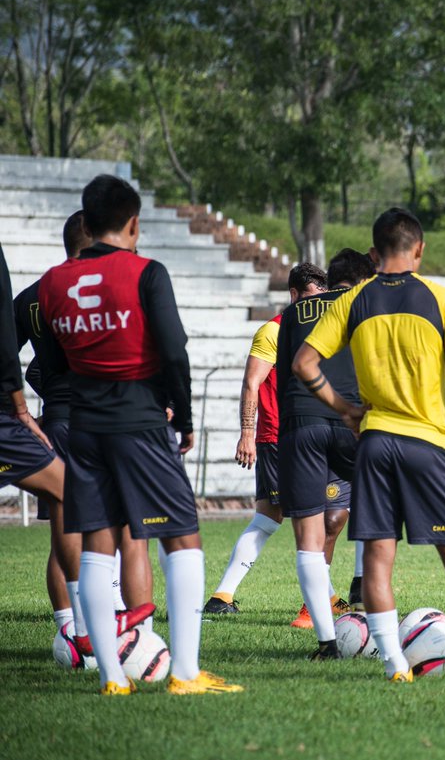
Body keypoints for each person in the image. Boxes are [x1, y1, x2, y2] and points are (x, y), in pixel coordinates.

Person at [294, 207, 445, 681]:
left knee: (378, 561)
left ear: (373, 253)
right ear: (419, 250)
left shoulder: (352, 300)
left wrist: (344, 408)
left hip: (375, 442)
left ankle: (395, 666)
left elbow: (304, 363)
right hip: (428, 443)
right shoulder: (440, 298)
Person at [38, 174, 241, 694]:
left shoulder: (52, 283)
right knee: (182, 536)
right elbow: (173, 350)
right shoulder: (147, 271)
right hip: (140, 420)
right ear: (133, 224)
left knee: (97, 543)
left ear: (85, 223)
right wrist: (185, 419)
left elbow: (54, 362)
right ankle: (185, 673)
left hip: (83, 426)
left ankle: (112, 678)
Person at [15, 213, 154, 648]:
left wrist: (20, 408)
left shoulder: (32, 295)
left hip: (58, 422)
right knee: (131, 532)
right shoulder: (111, 286)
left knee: (65, 531)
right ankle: (141, 636)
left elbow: (11, 361)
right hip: (110, 418)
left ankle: (72, 630)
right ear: (95, 238)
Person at [204, 263, 367, 619]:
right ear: (294, 295)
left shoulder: (321, 326)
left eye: (321, 296)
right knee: (316, 520)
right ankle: (317, 606)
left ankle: (223, 596)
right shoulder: (274, 330)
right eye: (309, 296)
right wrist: (247, 434)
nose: (314, 304)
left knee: (274, 519)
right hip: (282, 437)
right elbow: (252, 382)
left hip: (304, 433)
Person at [274, 249, 375, 658]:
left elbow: (286, 372)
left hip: (300, 419)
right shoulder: (364, 304)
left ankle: (326, 642)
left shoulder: (293, 313)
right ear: (363, 281)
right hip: (352, 417)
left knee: (308, 538)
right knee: (376, 502)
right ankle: (367, 599)